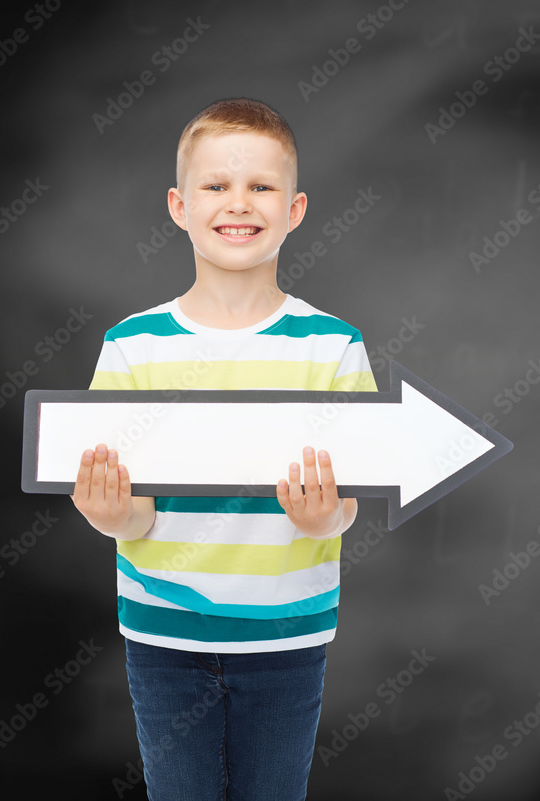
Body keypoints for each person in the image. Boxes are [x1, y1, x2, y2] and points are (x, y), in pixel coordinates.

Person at [69, 97, 377, 800]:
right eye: (216, 184)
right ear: (179, 206)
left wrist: (325, 517)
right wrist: (111, 515)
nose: (239, 202)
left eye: (261, 186)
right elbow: (133, 509)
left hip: (287, 636)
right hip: (164, 636)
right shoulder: (132, 345)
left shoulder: (334, 345)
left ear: (294, 210)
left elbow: (349, 502)